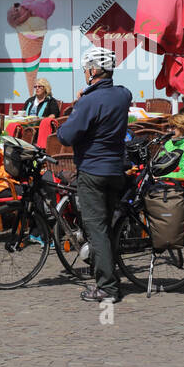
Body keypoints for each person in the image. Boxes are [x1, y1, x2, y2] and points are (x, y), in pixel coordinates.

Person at [57, 46, 132, 304]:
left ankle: (107, 288)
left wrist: (79, 103)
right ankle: (111, 275)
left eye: (86, 69)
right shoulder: (123, 95)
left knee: (96, 228)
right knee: (108, 226)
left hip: (93, 170)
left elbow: (66, 135)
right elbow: (116, 97)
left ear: (92, 70)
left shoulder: (89, 101)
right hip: (115, 169)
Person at [152, 113, 184, 180]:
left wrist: (161, 177)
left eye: (173, 127)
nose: (170, 130)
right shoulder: (169, 143)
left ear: (183, 128)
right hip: (158, 178)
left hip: (174, 184)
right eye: (169, 127)